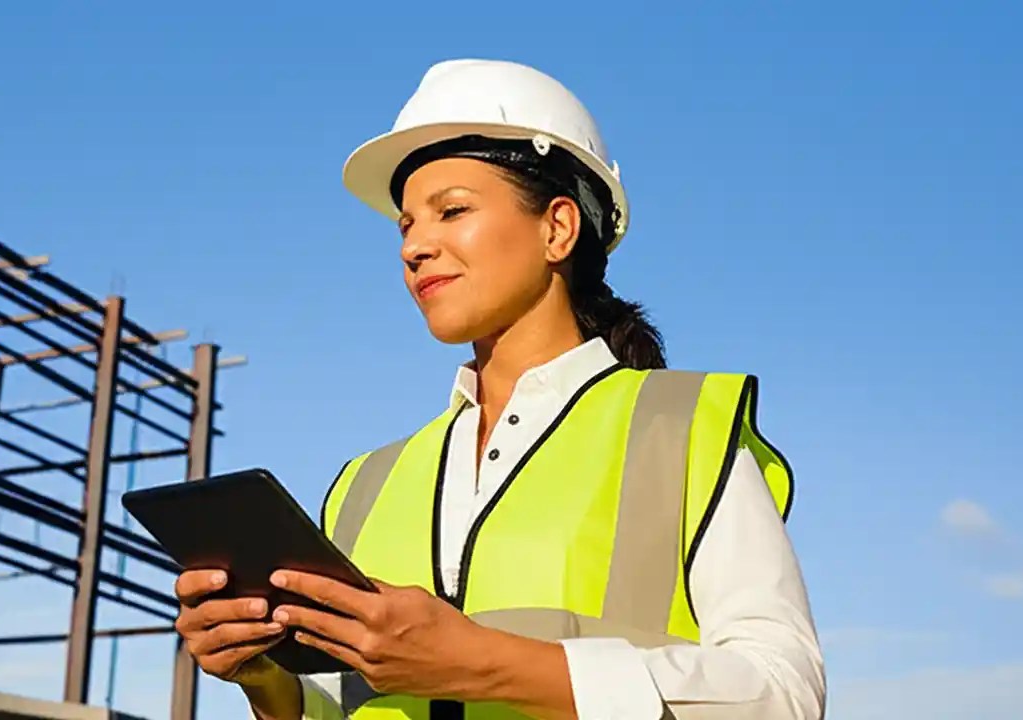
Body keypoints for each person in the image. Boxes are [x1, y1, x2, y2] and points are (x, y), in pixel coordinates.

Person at [172, 59, 826, 720]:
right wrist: (266, 682)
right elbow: (344, 707)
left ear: (558, 228)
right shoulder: (363, 484)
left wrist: (480, 663)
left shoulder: (681, 429)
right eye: (405, 226)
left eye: (451, 211)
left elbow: (783, 694)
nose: (415, 247)